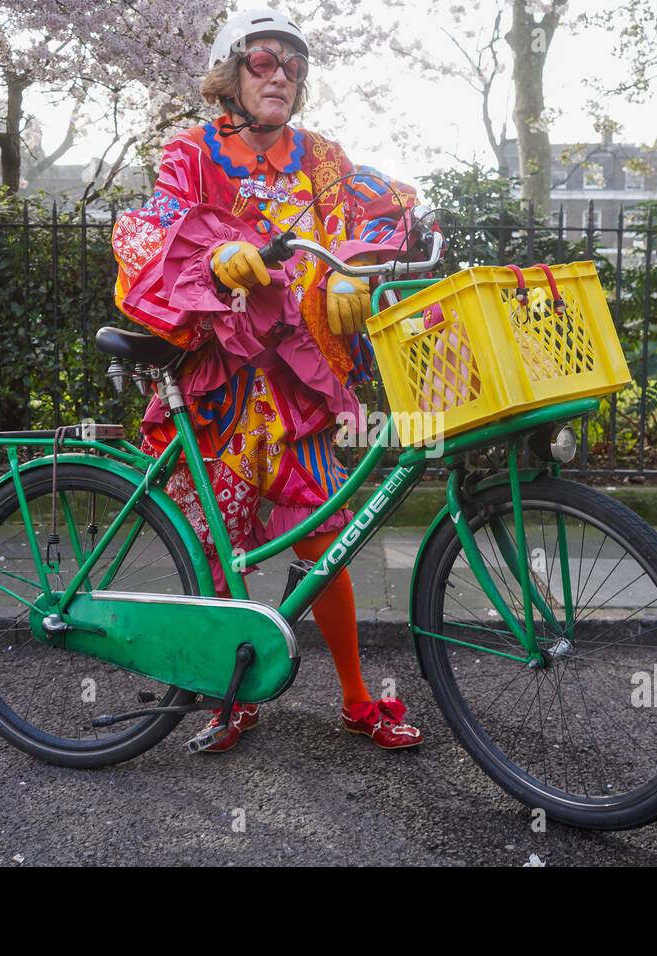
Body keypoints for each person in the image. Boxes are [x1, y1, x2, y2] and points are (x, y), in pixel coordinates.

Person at [110, 7, 429, 753]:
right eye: (262, 60)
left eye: (292, 62)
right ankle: (232, 699)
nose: (279, 72)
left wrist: (360, 267)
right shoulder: (189, 154)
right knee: (216, 548)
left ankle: (355, 698)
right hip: (217, 386)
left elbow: (382, 213)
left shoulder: (323, 158)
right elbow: (147, 231)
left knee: (325, 539)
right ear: (230, 74)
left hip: (297, 388)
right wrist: (212, 259)